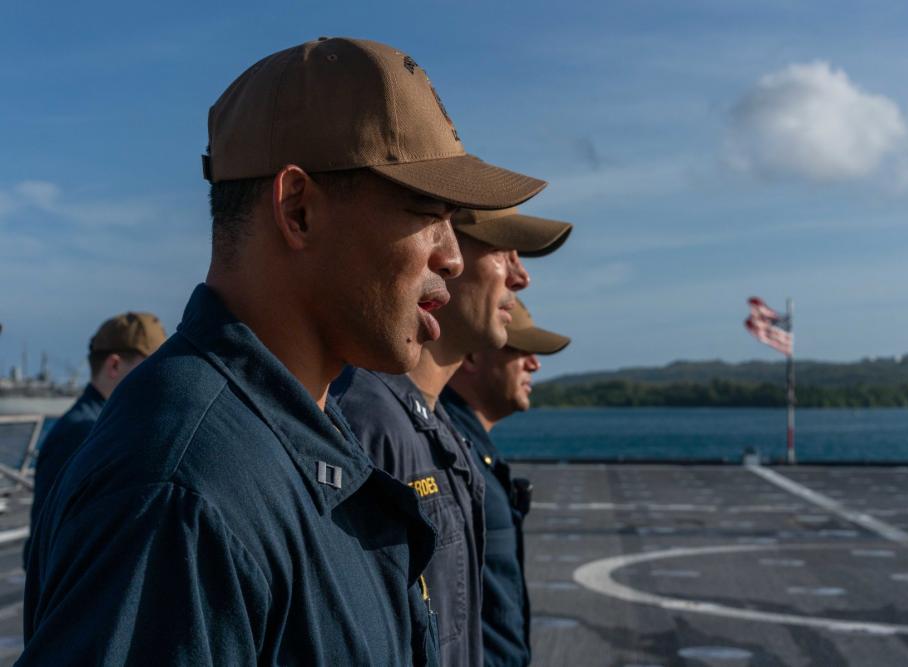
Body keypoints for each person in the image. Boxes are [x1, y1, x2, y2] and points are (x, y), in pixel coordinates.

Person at [20, 37, 546, 666]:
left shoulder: (292, 435)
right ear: (298, 211)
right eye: (426, 210)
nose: (452, 256)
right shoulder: (182, 491)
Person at [331, 207, 571, 667]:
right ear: (443, 256)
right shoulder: (370, 422)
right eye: (502, 251)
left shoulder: (435, 426)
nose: (521, 277)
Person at [442, 297, 570, 667]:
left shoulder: (467, 448)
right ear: (470, 356)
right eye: (519, 350)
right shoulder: (449, 454)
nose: (535, 364)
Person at [28, 312, 166, 533]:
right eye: (151, 369)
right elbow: (49, 535)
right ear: (114, 365)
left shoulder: (95, 427)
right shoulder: (85, 434)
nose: (163, 380)